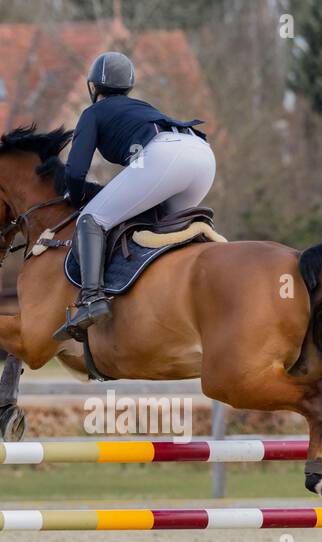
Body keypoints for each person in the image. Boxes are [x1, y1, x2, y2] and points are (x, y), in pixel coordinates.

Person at [55, 51, 216, 341]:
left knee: (91, 219)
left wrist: (77, 199)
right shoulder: (142, 107)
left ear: (93, 87)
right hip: (202, 155)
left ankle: (92, 298)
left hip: (166, 155)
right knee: (162, 234)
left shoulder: (93, 112)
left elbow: (75, 173)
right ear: (128, 86)